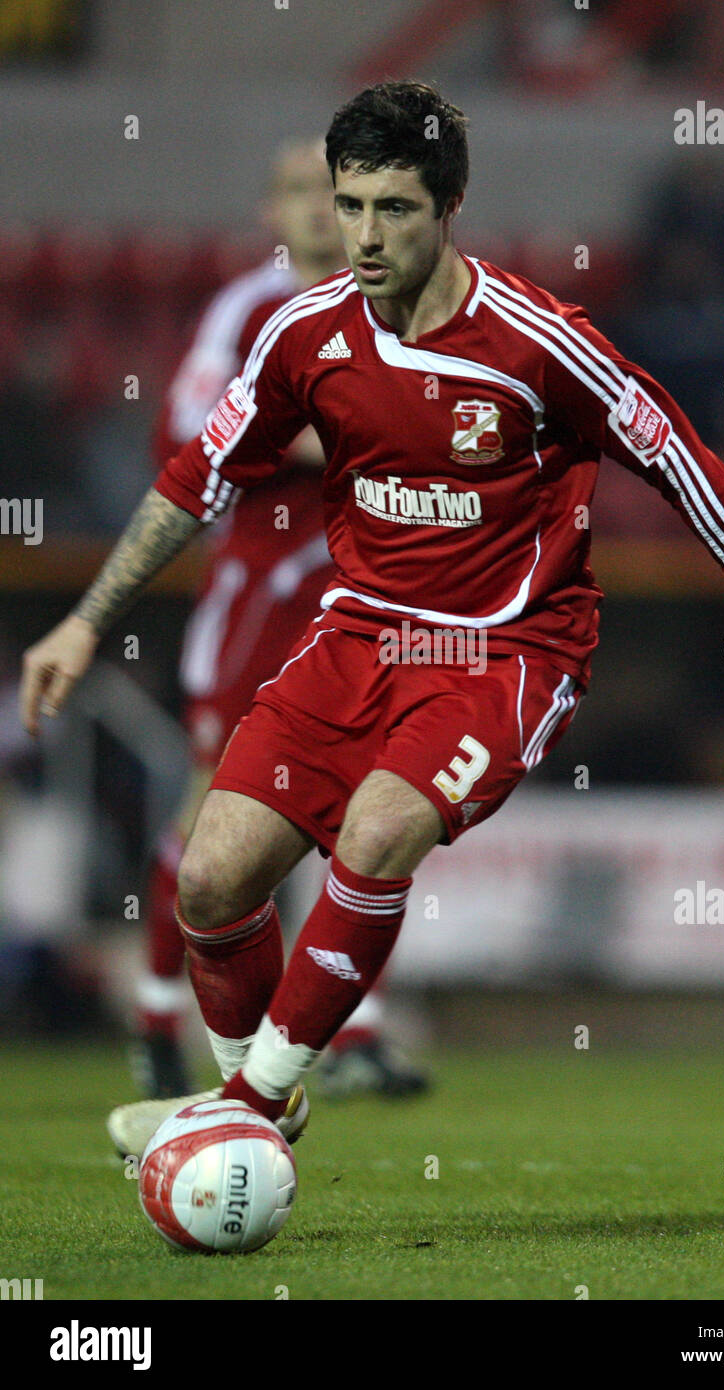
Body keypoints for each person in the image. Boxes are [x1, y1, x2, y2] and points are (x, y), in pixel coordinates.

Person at [20, 82, 724, 1160]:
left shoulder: (538, 341)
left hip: (503, 651)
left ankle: (246, 1116)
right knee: (214, 879)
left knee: (373, 837)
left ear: (450, 203)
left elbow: (678, 456)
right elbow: (194, 480)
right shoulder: (299, 334)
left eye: (393, 209)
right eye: (350, 204)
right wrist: (86, 622)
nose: (361, 235)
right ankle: (255, 1097)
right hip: (356, 634)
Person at [132, 138, 428, 1103]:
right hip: (259, 594)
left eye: (334, 197)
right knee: (217, 806)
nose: (320, 213)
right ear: (271, 212)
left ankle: (352, 1033)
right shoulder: (249, 310)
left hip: (364, 596)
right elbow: (184, 434)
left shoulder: (398, 305)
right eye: (301, 194)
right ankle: (154, 1013)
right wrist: (324, 432)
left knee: (365, 814)